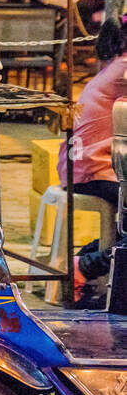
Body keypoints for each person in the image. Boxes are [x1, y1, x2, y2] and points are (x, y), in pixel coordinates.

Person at [61, 16, 127, 293]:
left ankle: (88, 258)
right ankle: (88, 266)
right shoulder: (124, 69)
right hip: (93, 169)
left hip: (84, 166)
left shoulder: (118, 64)